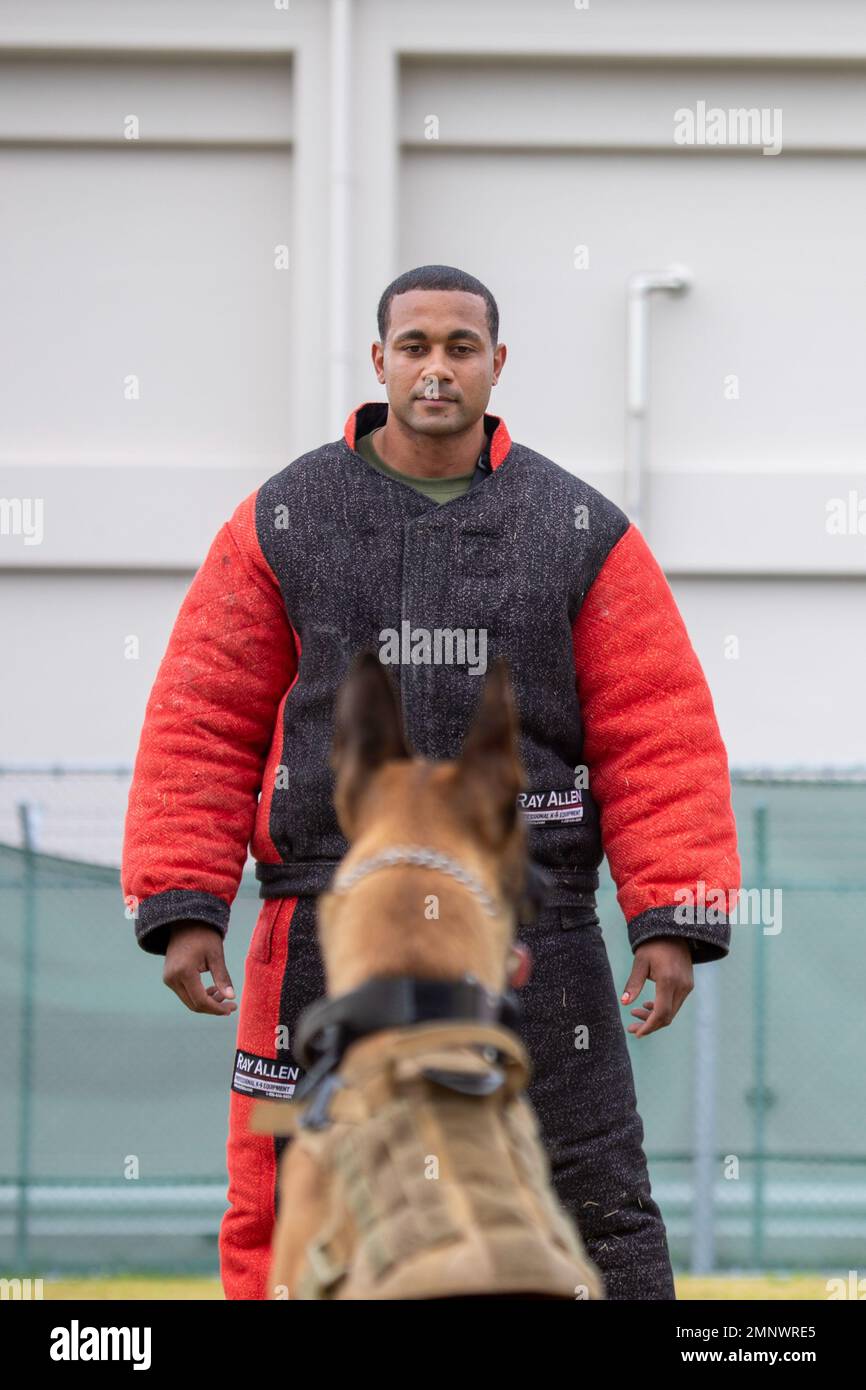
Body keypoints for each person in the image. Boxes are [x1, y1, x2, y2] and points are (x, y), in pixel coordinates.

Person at [121, 263, 741, 1300]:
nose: (437, 368)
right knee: (290, 1200)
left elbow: (656, 729)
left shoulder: (582, 530)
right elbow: (203, 717)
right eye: (414, 346)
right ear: (378, 362)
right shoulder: (281, 519)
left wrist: (670, 915)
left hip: (535, 930)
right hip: (317, 927)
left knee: (594, 1205)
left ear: (497, 365)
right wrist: (183, 902)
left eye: (461, 347)